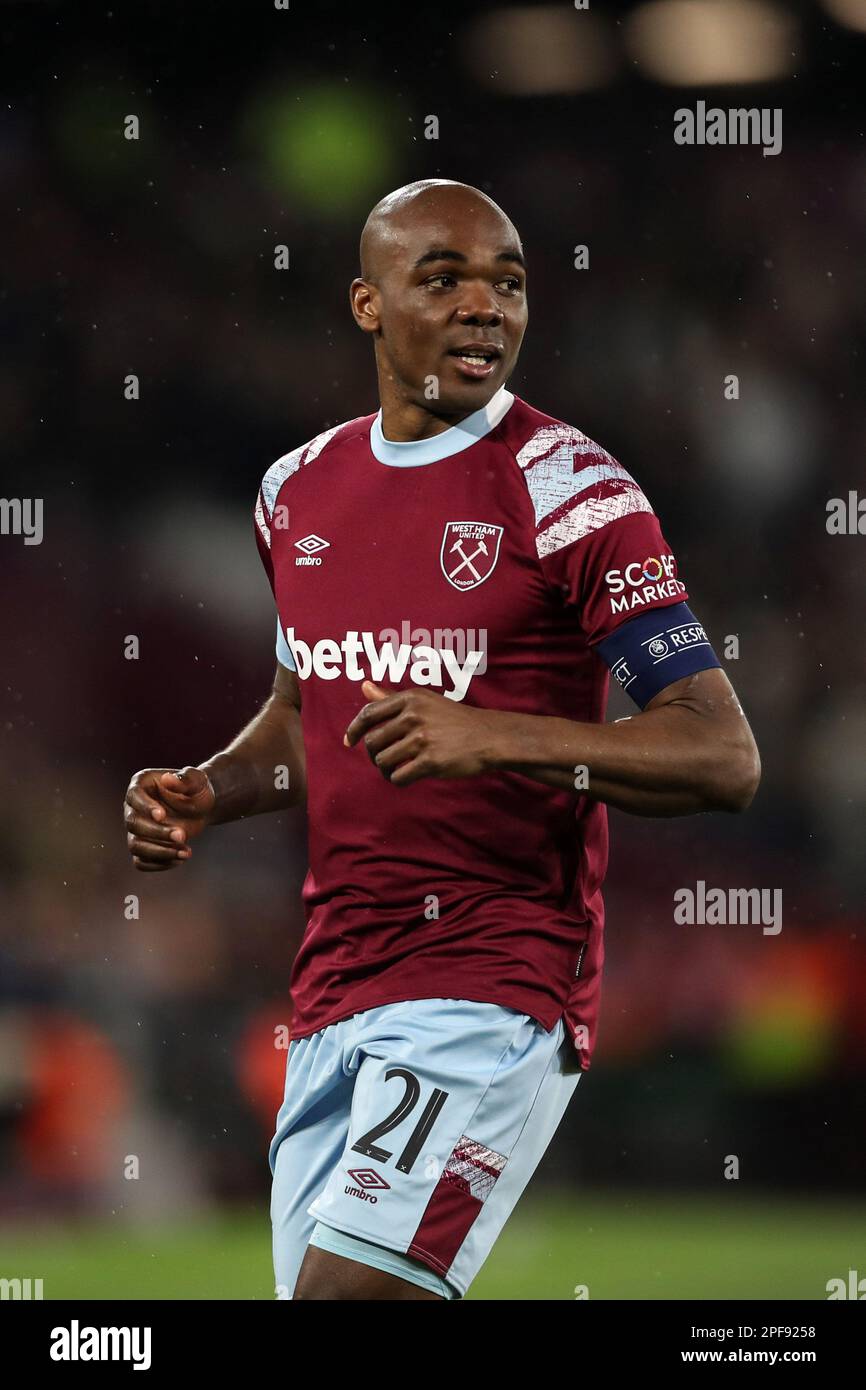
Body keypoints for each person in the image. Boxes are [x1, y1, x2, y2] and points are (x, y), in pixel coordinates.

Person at [123, 179, 760, 1301]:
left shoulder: (573, 492)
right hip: (331, 987)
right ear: (367, 305)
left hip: (493, 977)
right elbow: (303, 718)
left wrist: (497, 737)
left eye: (507, 283)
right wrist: (209, 791)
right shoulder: (295, 494)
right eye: (445, 278)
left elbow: (719, 755)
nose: (485, 307)